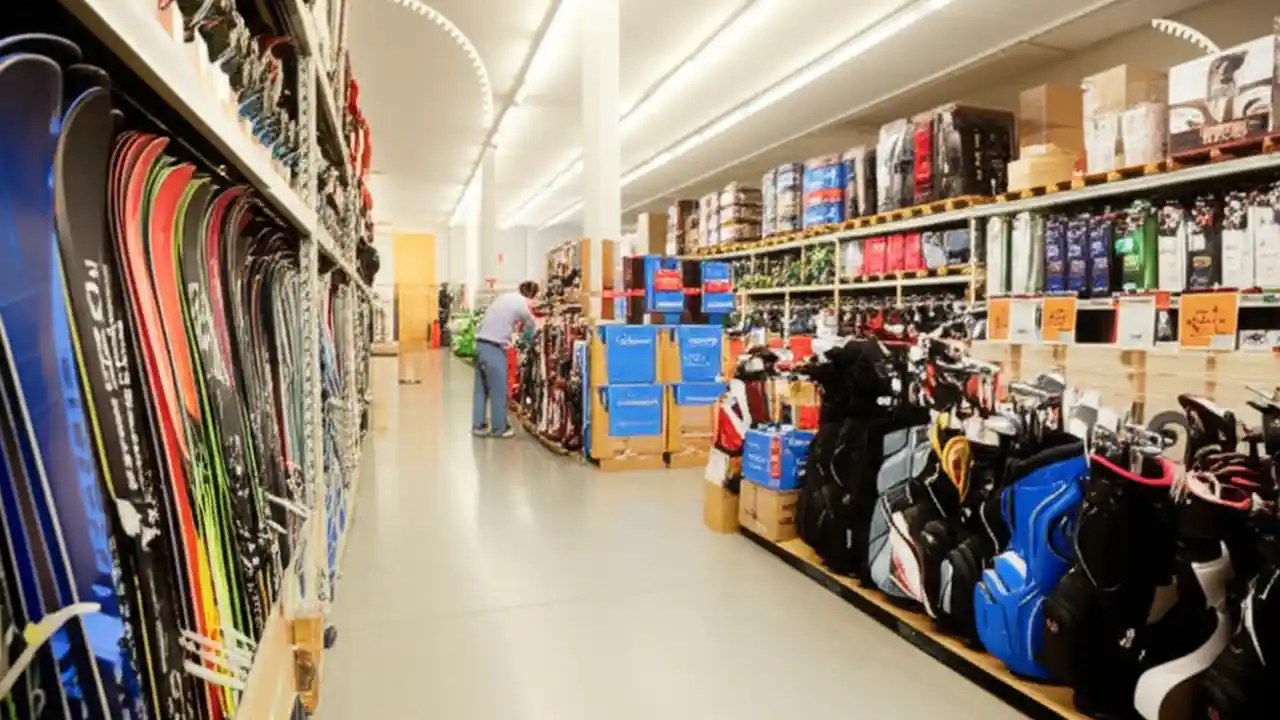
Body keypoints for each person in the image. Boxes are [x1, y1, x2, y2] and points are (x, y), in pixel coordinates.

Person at [472, 281, 538, 437]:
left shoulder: (505, 297)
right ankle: (500, 428)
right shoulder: (522, 304)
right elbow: (532, 325)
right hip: (494, 347)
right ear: (531, 296)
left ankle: (478, 426)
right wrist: (531, 338)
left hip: (481, 344)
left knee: (481, 390)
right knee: (499, 389)